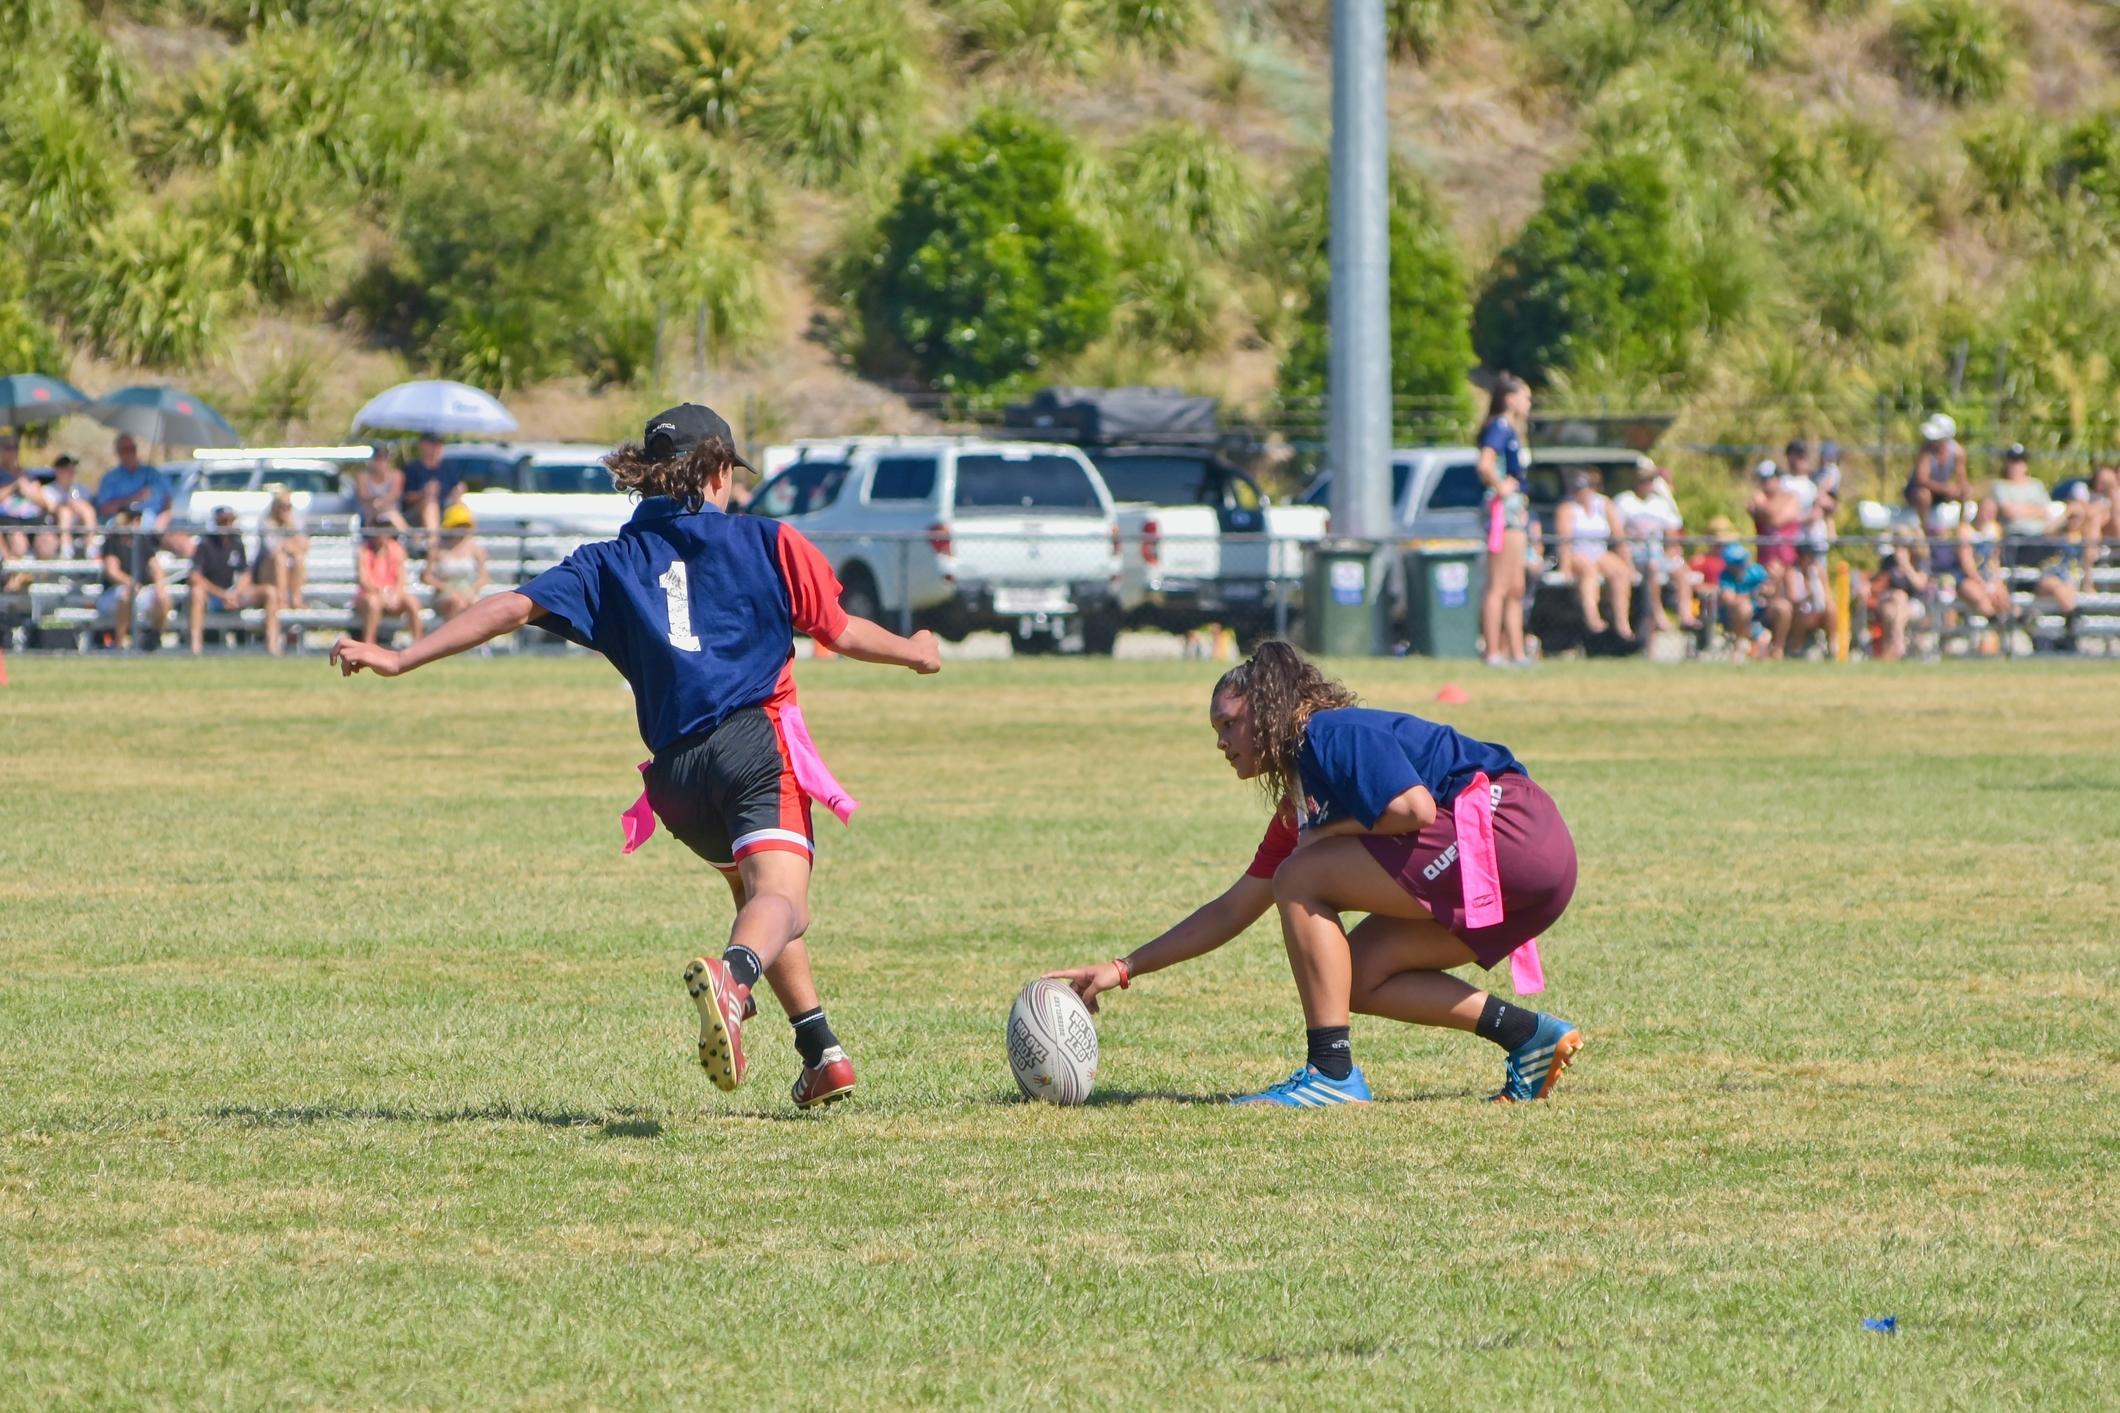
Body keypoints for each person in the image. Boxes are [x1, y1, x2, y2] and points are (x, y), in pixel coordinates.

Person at [329, 403, 943, 1108]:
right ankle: (734, 980)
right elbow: (840, 629)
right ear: (716, 472)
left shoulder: (609, 563)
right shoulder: (767, 541)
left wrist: (403, 656)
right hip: (753, 745)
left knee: (755, 893)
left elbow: (509, 606)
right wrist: (915, 652)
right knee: (781, 901)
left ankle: (822, 1051)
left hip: (677, 780)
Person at [1047, 642, 1581, 1107]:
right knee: (1358, 975)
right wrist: (1123, 969)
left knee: (1300, 874)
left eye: (1230, 723)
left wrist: (1323, 837)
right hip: (1533, 869)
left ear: (1270, 711)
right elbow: (1233, 910)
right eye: (1217, 729)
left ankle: (1331, 1072)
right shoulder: (1301, 808)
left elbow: (1414, 808)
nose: (1221, 741)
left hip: (1510, 828)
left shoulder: (1329, 732)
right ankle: (1528, 1036)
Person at [1474, 374, 1534, 667]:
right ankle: (1493, 651)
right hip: (1503, 511)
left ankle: (1517, 651)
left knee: (1516, 586)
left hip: (1516, 510)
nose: (1529, 403)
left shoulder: (1512, 430)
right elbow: (1485, 464)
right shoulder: (1499, 427)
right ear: (1510, 399)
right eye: (1526, 397)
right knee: (1498, 584)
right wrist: (1501, 487)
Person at [187, 505, 282, 655]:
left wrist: (236, 593)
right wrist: (222, 594)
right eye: (223, 521)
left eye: (230, 521)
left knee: (270, 592)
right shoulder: (205, 544)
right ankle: (195, 647)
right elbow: (195, 577)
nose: (227, 525)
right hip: (213, 596)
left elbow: (245, 573)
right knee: (197, 593)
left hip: (233, 593)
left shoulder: (237, 543)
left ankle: (272, 646)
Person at [1555, 470, 1634, 639]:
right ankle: (1592, 617)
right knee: (1589, 571)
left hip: (1599, 552)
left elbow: (1619, 537)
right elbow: (1565, 540)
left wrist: (1628, 564)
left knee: (1620, 572)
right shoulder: (1567, 508)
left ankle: (1622, 621)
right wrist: (1565, 566)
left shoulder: (1604, 504)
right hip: (1578, 553)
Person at [1614, 463, 1690, 632]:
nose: (1648, 484)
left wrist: (1672, 551)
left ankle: (1685, 615)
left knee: (1682, 570)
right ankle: (1657, 613)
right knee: (1653, 566)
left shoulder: (1660, 503)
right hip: (1636, 554)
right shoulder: (1625, 501)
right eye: (1645, 480)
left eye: (1651, 481)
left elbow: (1671, 533)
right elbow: (1618, 535)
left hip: (1657, 553)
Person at [91, 434, 193, 556]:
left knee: (185, 545)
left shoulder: (153, 474)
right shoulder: (110, 479)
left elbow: (168, 502)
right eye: (124, 450)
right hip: (123, 529)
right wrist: (133, 498)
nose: (129, 453)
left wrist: (163, 519)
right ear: (117, 452)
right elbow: (104, 509)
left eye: (131, 449)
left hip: (154, 529)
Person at [96, 508, 169, 649]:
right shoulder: (113, 541)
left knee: (163, 599)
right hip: (114, 592)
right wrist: (131, 583)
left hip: (141, 589)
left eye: (138, 519)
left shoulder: (142, 540)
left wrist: (160, 587)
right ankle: (119, 643)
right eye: (131, 519)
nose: (135, 523)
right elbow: (112, 571)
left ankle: (154, 638)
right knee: (125, 595)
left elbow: (156, 568)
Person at [354, 518, 422, 646]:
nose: (381, 533)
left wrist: (396, 595)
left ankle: (419, 642)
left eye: (384, 529)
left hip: (392, 595)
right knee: (373, 603)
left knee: (412, 602)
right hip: (371, 595)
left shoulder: (397, 550)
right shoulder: (363, 551)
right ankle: (369, 644)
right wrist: (381, 595)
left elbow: (401, 578)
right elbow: (364, 580)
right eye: (378, 529)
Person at [422, 503, 488, 622]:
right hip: (444, 592)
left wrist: (470, 590)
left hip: (468, 590)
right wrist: (448, 589)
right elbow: (427, 577)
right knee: (455, 603)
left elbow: (484, 577)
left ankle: (475, 639)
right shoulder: (437, 549)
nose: (462, 529)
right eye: (458, 525)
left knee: (474, 604)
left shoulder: (476, 549)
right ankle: (453, 638)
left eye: (464, 525)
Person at [1904, 413, 1971, 531]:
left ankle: (1961, 528)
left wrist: (1958, 489)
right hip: (1918, 491)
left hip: (1939, 492)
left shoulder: (1957, 452)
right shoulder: (1926, 451)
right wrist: (1945, 488)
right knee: (1923, 494)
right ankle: (1925, 529)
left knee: (1965, 492)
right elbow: (1921, 479)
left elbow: (1962, 478)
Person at [1869, 534, 1928, 661]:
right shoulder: (1888, 561)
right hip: (1890, 602)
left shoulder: (1918, 561)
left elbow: (1920, 586)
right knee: (1896, 600)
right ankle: (1899, 645)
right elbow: (1881, 584)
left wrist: (1906, 567)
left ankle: (1891, 648)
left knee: (1898, 602)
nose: (1899, 551)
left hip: (1913, 604)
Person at [0, 434, 55, 560]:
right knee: (18, 544)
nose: (13, 451)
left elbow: (46, 505)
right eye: (8, 448)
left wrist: (29, 493)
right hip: (7, 520)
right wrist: (13, 486)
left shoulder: (28, 476)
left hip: (33, 518)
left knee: (48, 543)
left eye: (15, 447)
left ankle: (41, 578)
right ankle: (18, 577)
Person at [1715, 541, 1774, 657]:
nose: (1739, 566)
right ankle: (1740, 644)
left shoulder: (1756, 571)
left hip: (1760, 613)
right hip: (1734, 617)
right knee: (1744, 607)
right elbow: (1729, 598)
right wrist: (1753, 594)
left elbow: (1770, 588)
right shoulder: (1726, 576)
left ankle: (1777, 651)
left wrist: (1766, 590)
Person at [254, 488, 308, 609]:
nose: (285, 510)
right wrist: (290, 544)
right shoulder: (266, 521)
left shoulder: (295, 518)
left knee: (298, 558)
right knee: (280, 559)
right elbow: (272, 550)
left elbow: (304, 545)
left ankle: (296, 599)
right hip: (267, 568)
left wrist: (289, 525)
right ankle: (282, 599)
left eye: (288, 506)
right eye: (282, 506)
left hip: (291, 567)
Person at [399, 434, 461, 540]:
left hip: (443, 512)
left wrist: (457, 494)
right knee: (431, 504)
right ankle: (434, 545)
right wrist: (424, 493)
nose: (436, 448)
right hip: (414, 514)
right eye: (432, 444)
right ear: (423, 445)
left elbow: (456, 490)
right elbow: (405, 497)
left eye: (439, 444)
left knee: (461, 510)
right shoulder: (411, 468)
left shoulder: (448, 469)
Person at [47, 454, 97, 558]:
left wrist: (78, 505)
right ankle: (66, 547)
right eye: (67, 469)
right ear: (58, 471)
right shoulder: (49, 490)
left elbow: (89, 507)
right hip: (56, 526)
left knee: (88, 510)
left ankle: (91, 547)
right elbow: (50, 508)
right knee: (65, 512)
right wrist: (68, 505)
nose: (71, 473)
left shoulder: (82, 489)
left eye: (73, 470)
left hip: (79, 525)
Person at [354, 448, 408, 532]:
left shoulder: (397, 475)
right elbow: (363, 496)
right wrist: (376, 502)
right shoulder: (363, 476)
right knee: (376, 511)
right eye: (377, 459)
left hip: (390, 510)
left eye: (384, 459)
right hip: (369, 511)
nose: (380, 463)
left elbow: (394, 495)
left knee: (391, 513)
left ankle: (408, 536)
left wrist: (380, 503)